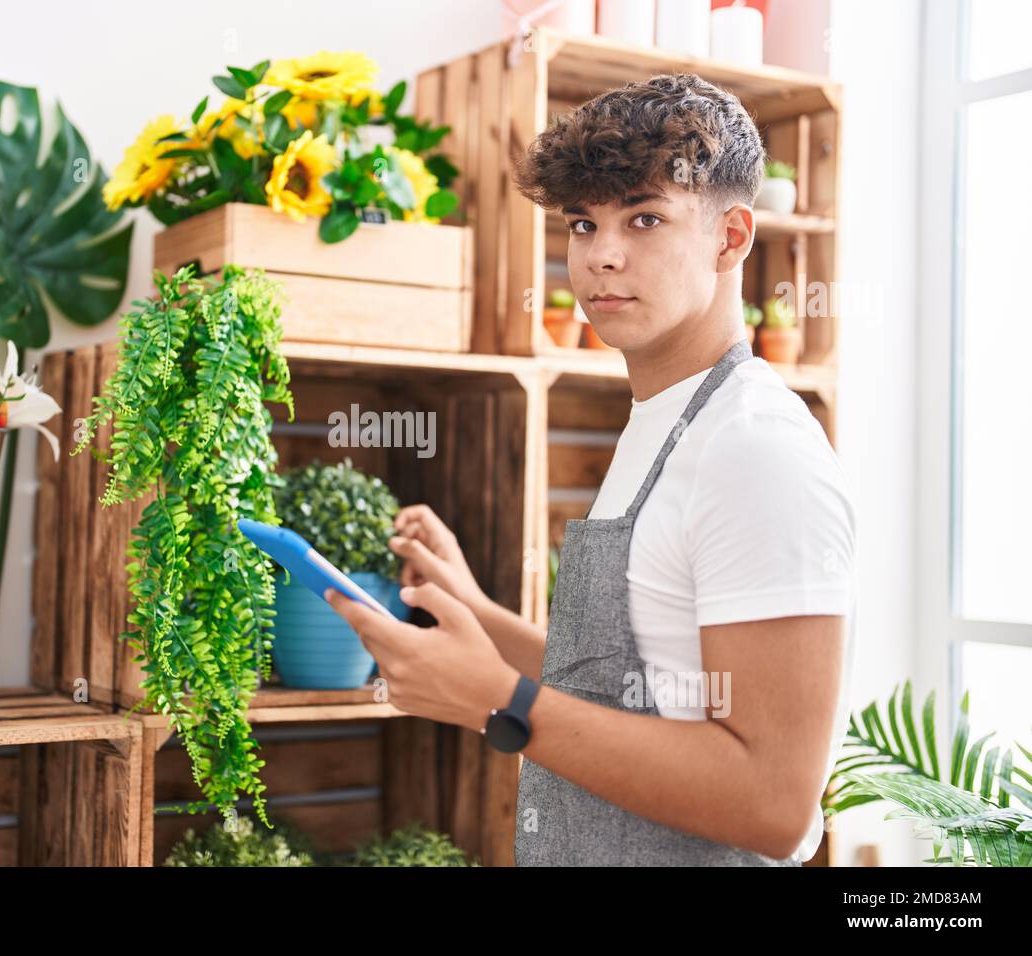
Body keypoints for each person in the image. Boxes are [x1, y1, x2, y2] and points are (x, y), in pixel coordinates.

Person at [326, 72, 856, 866]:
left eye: (645, 219)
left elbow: (777, 804)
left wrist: (501, 702)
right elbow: (637, 686)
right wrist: (477, 614)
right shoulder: (664, 417)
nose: (602, 256)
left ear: (732, 237)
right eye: (582, 223)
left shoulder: (756, 451)